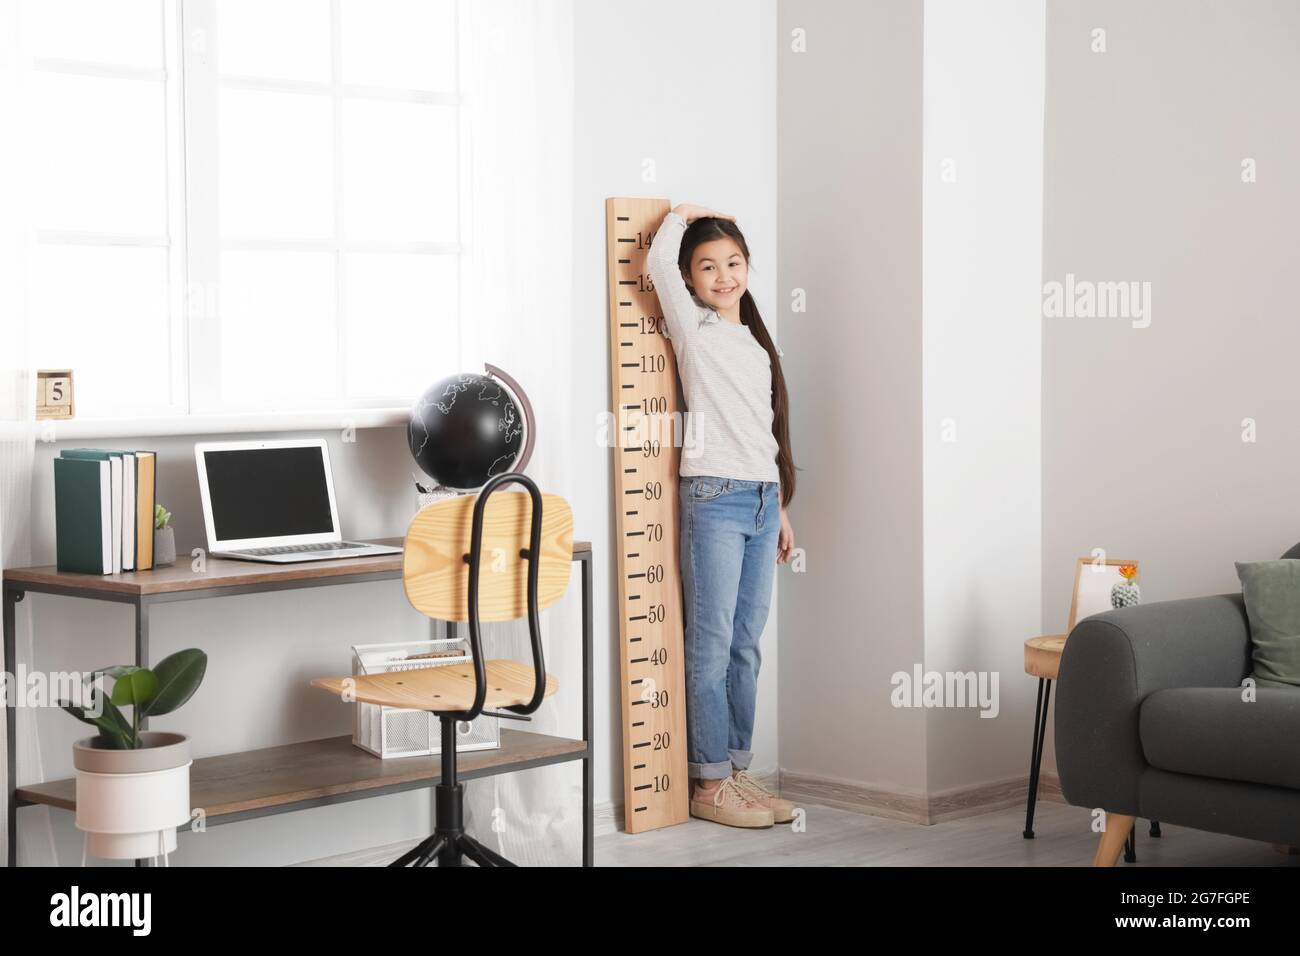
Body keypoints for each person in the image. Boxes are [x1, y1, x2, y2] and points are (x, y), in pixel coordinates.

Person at [645, 202, 799, 829]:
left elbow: (763, 430)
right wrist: (684, 214)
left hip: (762, 499)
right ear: (689, 280)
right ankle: (707, 783)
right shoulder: (694, 329)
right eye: (707, 267)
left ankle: (737, 771)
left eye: (733, 263)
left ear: (748, 267)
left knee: (746, 647)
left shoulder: (756, 343)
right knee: (709, 647)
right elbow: (656, 257)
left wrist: (782, 511)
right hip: (713, 496)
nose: (723, 276)